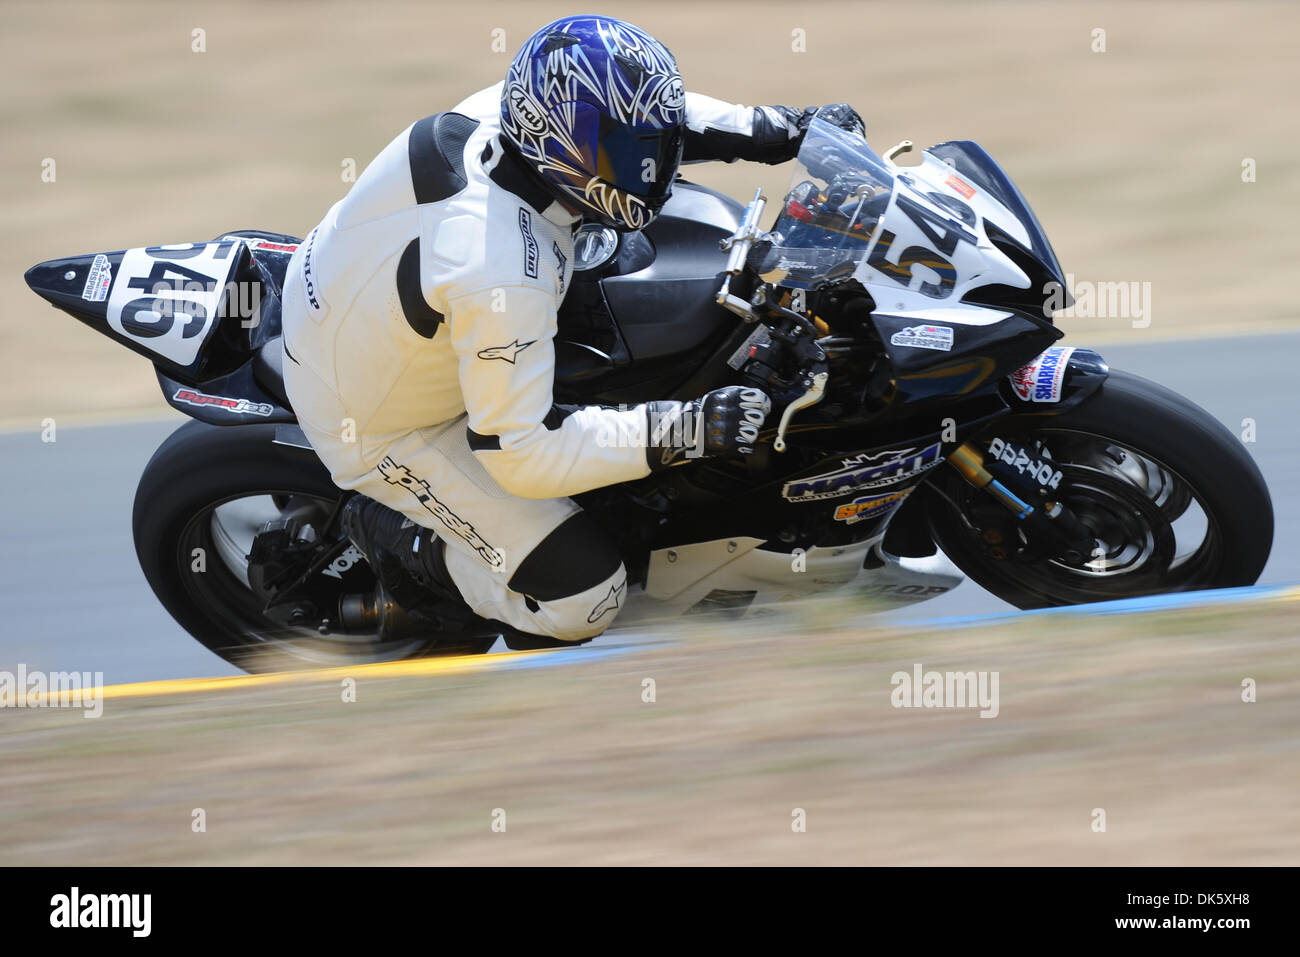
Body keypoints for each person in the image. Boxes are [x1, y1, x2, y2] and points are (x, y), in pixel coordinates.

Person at [280, 15, 864, 643]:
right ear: (560, 149)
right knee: (585, 600)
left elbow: (654, 114)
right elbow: (519, 454)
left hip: (374, 301)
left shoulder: (511, 113)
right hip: (391, 423)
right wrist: (689, 428)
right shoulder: (497, 268)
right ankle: (395, 534)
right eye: (625, 156)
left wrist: (790, 131)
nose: (650, 167)